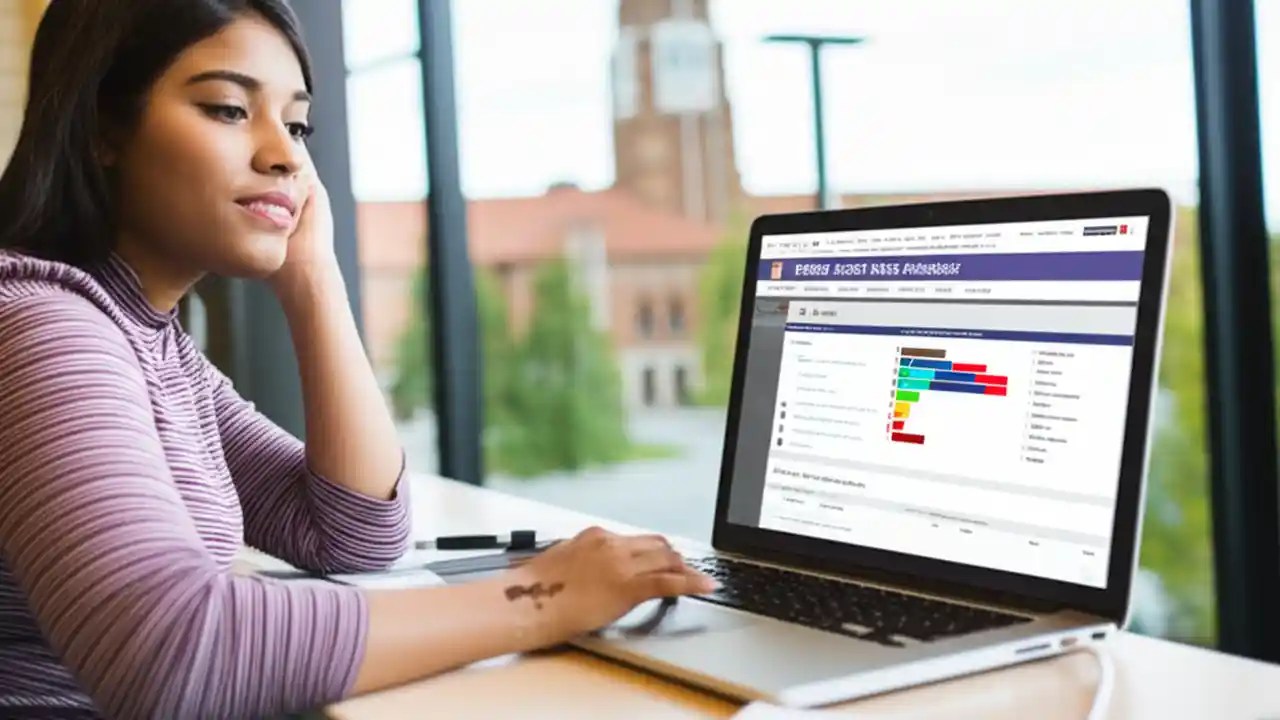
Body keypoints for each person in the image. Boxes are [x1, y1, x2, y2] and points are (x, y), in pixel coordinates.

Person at [0, 1, 716, 717]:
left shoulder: (147, 342)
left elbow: (352, 531)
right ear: (102, 128)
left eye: (297, 123)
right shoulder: (42, 326)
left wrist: (314, 277)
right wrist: (545, 598)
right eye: (226, 108)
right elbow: (174, 652)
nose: (283, 154)